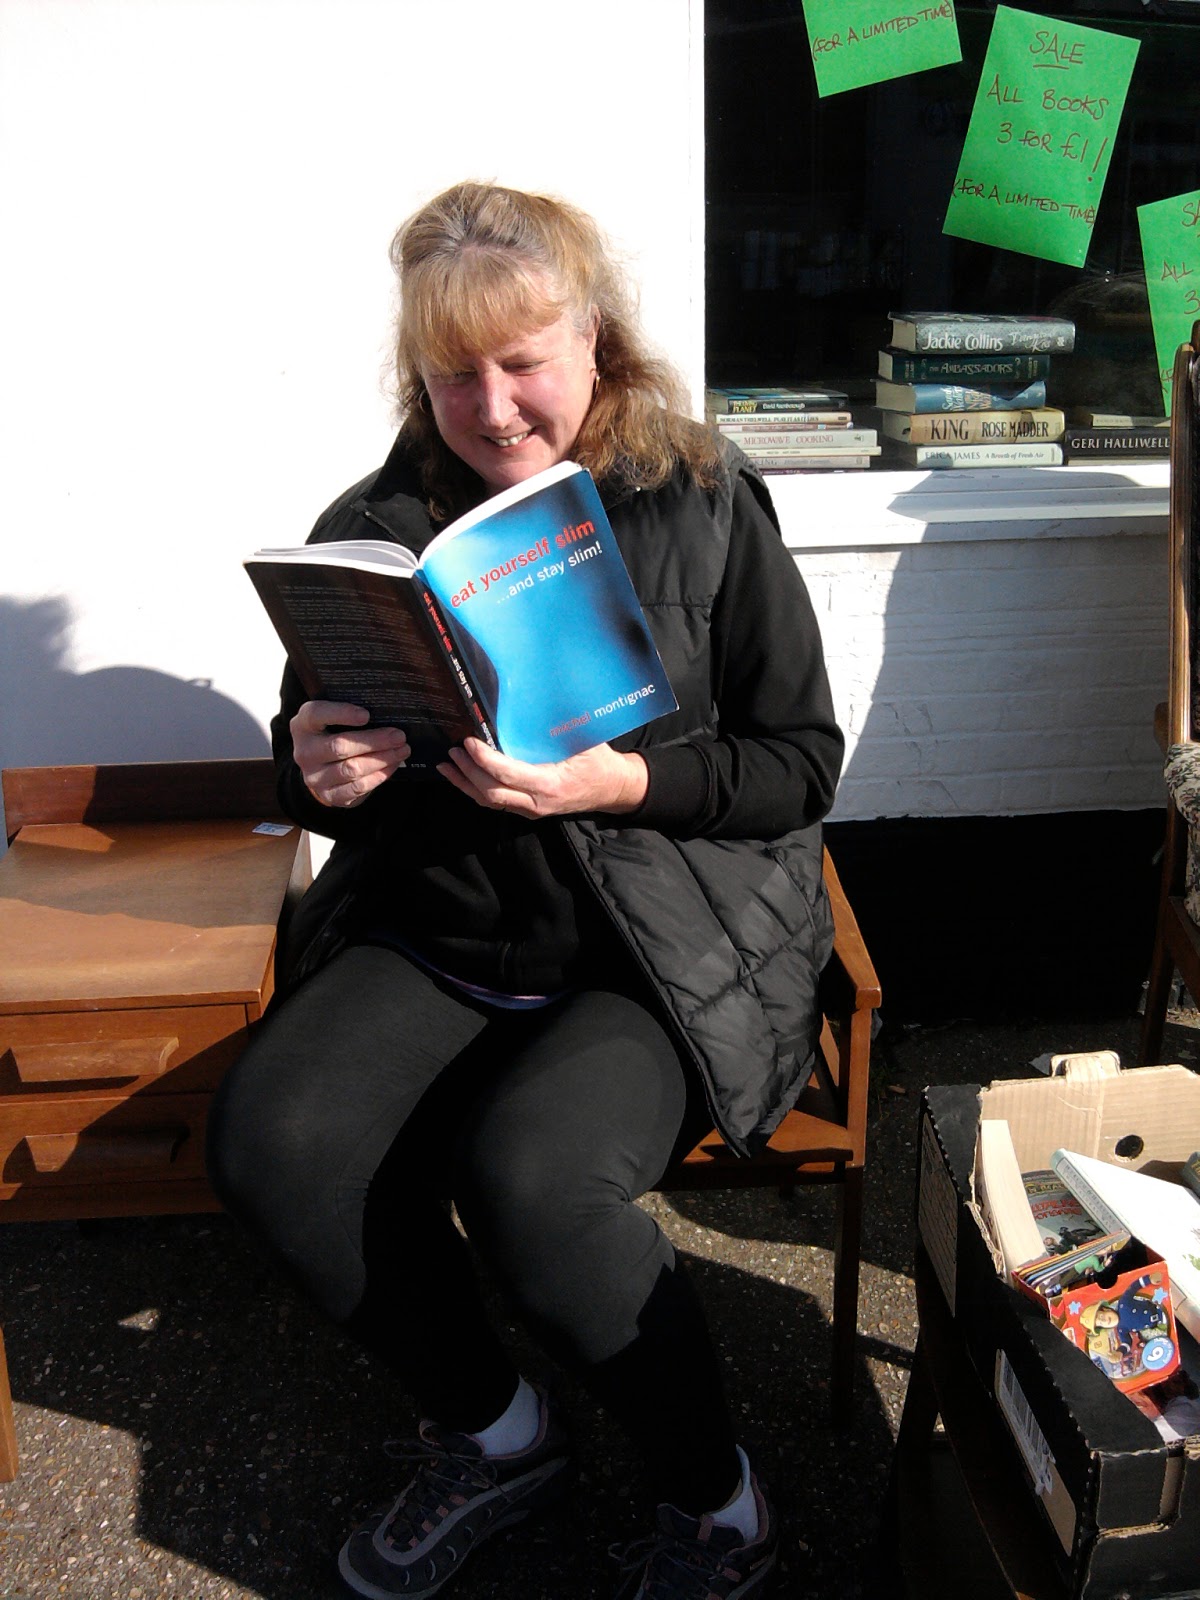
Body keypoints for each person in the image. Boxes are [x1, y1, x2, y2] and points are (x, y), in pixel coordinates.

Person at [206, 180, 844, 1600]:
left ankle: (720, 1503)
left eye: (523, 362)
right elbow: (310, 756)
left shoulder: (700, 500)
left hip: (656, 948)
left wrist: (623, 784)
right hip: (444, 930)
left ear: (593, 339)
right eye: (454, 374)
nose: (492, 409)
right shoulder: (374, 526)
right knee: (271, 1142)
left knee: (534, 1180)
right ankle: (499, 1434)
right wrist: (316, 768)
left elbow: (801, 764)